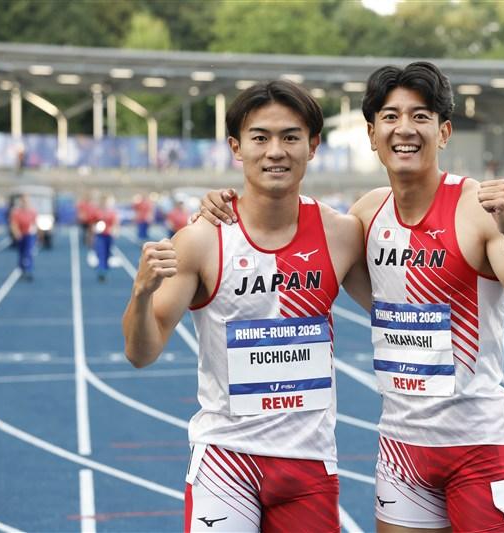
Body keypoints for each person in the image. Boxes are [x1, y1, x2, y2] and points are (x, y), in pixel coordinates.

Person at [198, 62, 504, 533]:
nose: (404, 129)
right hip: (401, 447)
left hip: (480, 443)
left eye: (421, 116)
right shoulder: (366, 218)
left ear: (444, 131)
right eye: (390, 117)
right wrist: (218, 206)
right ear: (371, 134)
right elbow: (293, 243)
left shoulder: (478, 209)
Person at [122, 80, 368, 532]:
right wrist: (140, 295)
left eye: (290, 137)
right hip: (225, 461)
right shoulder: (201, 240)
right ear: (237, 147)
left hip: (309, 464)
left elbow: (405, 297)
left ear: (313, 146)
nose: (276, 150)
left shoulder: (342, 234)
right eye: (260, 137)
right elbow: (142, 352)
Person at [9, 194, 37, 281]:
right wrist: (17, 233)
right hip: (21, 234)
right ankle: (21, 269)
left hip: (29, 235)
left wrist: (36, 234)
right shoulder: (16, 212)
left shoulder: (32, 212)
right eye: (23, 201)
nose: (25, 203)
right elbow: (14, 224)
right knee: (21, 253)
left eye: (27, 201)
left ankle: (28, 270)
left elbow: (35, 223)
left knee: (28, 252)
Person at [93, 194, 119, 282]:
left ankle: (105, 269)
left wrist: (115, 231)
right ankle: (102, 271)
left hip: (109, 235)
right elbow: (93, 222)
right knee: (101, 253)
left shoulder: (111, 212)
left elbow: (115, 222)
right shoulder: (97, 212)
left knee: (107, 253)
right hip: (100, 235)